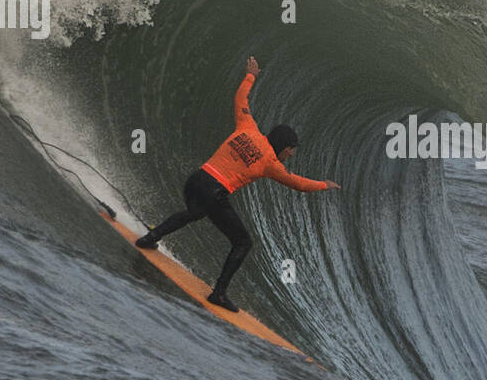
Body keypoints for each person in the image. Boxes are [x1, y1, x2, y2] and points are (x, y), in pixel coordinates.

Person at [136, 56, 340, 311]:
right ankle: (218, 293)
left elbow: (240, 100)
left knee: (194, 213)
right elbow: (298, 184)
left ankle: (151, 237)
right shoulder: (271, 163)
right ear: (283, 147)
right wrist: (325, 185)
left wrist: (250, 75)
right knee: (243, 242)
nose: (291, 154)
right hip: (214, 191)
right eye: (291, 150)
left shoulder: (248, 127)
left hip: (197, 179)